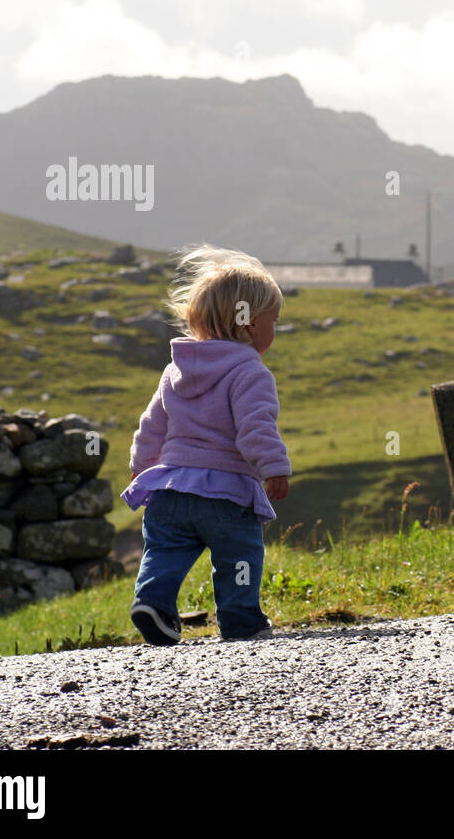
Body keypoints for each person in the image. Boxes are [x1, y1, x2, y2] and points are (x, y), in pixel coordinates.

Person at [121, 244, 291, 645]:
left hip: (171, 489)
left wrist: (142, 464)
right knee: (239, 557)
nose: (274, 330)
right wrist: (275, 468)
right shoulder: (250, 371)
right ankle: (240, 618)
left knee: (164, 551)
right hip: (225, 493)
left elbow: (152, 426)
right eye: (274, 322)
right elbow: (254, 428)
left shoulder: (174, 370)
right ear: (251, 326)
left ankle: (153, 603)